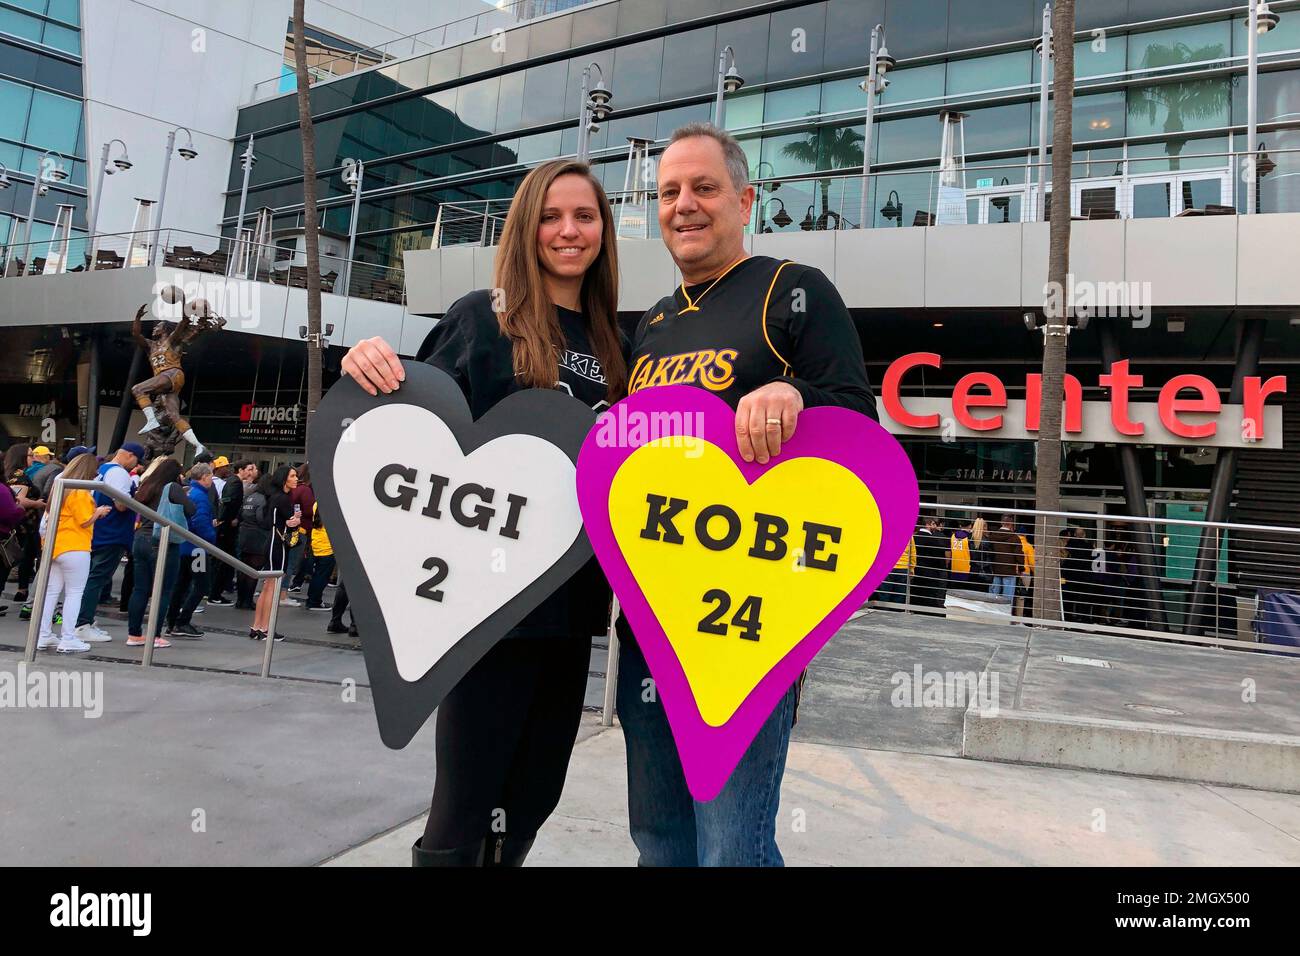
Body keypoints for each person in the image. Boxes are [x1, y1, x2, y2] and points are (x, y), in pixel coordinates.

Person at [342, 157, 627, 866]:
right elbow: (416, 433)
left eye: (584, 216)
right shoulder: (482, 317)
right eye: (551, 216)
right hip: (488, 614)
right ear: (526, 228)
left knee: (530, 799)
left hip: (573, 613)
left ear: (604, 231)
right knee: (464, 807)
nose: (568, 231)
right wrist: (367, 365)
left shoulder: (617, 340)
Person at [613, 122, 875, 867]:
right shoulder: (654, 326)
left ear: (745, 199)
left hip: (748, 634)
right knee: (659, 843)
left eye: (704, 188)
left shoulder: (793, 290)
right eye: (669, 192)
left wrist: (794, 394)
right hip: (652, 629)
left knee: (731, 848)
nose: (684, 205)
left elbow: (860, 422)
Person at [36, 453, 113, 654]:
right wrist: (99, 512)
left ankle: (43, 635)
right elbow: (84, 520)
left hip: (54, 546)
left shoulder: (59, 487)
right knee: (75, 593)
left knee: (52, 592)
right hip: (75, 545)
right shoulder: (80, 490)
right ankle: (68, 638)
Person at [73, 442, 144, 642]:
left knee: (90, 578)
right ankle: (82, 622)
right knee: (96, 579)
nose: (136, 465)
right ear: (130, 455)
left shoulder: (101, 469)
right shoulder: (119, 473)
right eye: (137, 460)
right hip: (112, 533)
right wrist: (134, 498)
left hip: (98, 531)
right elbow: (121, 505)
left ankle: (83, 620)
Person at [125, 457, 192, 649]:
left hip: (140, 539)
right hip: (162, 541)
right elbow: (191, 509)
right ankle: (154, 634)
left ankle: (134, 633)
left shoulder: (146, 485)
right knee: (163, 590)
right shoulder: (172, 488)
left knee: (140, 589)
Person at [249, 464, 301, 642]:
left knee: (267, 586)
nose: (296, 479)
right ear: (284, 478)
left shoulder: (275, 497)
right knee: (272, 586)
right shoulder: (283, 499)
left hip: (272, 541)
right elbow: (288, 522)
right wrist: (295, 521)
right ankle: (265, 628)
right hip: (277, 543)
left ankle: (258, 626)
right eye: (293, 476)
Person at [166, 462, 217, 639]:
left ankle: (172, 621)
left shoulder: (190, 492)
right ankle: (182, 620)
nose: (212, 479)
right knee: (202, 585)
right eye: (210, 476)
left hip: (185, 547)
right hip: (197, 549)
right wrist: (211, 539)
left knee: (181, 585)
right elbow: (200, 522)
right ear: (204, 477)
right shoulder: (201, 497)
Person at [5, 443, 44, 604]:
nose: (33, 459)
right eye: (30, 455)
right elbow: (18, 500)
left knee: (27, 556)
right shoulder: (19, 475)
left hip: (23, 523)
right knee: (26, 555)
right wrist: (38, 504)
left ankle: (23, 590)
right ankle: (25, 591)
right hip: (24, 523)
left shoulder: (11, 474)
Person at [211, 460, 254, 604]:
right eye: (249, 469)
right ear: (240, 470)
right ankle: (215, 593)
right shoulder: (235, 483)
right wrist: (229, 519)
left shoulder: (233, 482)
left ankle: (217, 591)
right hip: (227, 527)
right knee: (224, 561)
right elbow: (228, 502)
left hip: (227, 525)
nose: (250, 472)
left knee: (225, 560)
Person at [234, 462, 266, 610]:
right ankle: (247, 600)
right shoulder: (262, 499)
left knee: (243, 569)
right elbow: (261, 519)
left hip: (244, 535)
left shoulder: (249, 496)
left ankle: (240, 599)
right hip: (256, 537)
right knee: (253, 570)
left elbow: (240, 514)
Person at [285, 462, 316, 596]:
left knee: (286, 562)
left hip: (290, 527)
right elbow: (310, 511)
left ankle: (281, 592)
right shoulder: (305, 490)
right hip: (300, 529)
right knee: (291, 563)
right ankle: (282, 594)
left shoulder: (292, 489)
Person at [912, 515, 950, 609]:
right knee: (929, 597)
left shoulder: (914, 537)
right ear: (928, 525)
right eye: (934, 524)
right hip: (931, 573)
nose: (935, 527)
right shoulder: (934, 540)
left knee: (916, 595)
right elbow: (940, 559)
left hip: (916, 572)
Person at [304, 501, 334, 612]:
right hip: (327, 545)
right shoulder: (332, 505)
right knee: (322, 576)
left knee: (317, 574)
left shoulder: (316, 504)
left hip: (316, 541)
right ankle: (314, 601)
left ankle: (311, 599)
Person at [986, 514, 1022, 601]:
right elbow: (1019, 555)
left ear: (1001, 522)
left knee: (993, 597)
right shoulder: (1015, 538)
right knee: (1008, 599)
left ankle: (991, 613)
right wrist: (1021, 568)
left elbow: (989, 553)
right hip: (1009, 570)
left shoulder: (993, 536)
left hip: (995, 570)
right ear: (1011, 523)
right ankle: (1005, 613)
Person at [949, 518, 974, 586]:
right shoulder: (970, 537)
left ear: (960, 526)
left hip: (954, 568)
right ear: (970, 526)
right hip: (966, 569)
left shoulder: (953, 536)